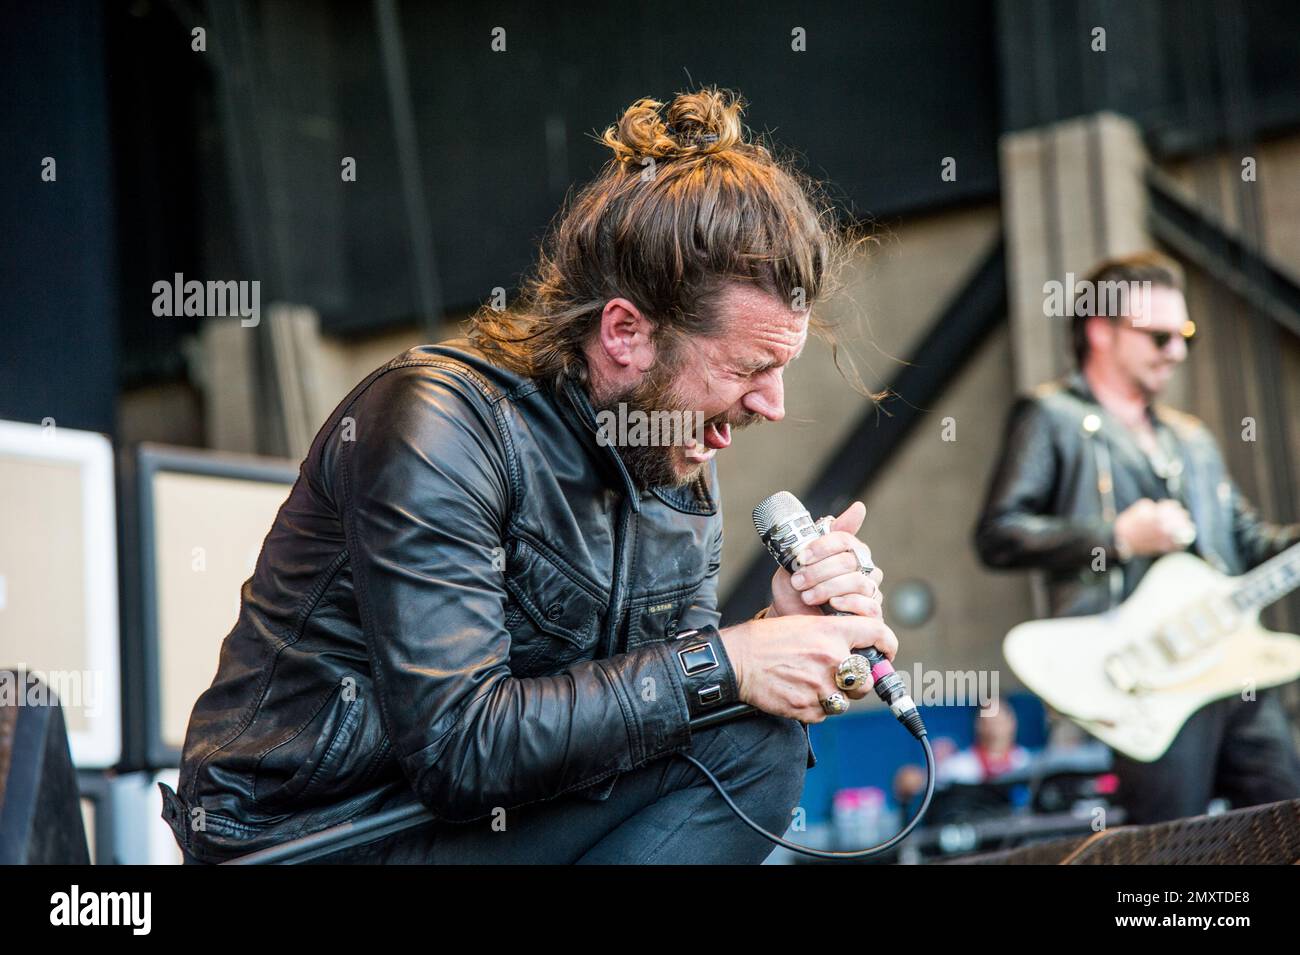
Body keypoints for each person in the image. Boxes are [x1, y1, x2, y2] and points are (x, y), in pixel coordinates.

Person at [160, 88, 897, 864]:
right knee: (738, 721)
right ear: (625, 332)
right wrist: (734, 660)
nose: (772, 405)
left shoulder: (677, 469)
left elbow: (655, 708)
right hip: (307, 838)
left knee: (754, 742)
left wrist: (782, 632)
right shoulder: (440, 425)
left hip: (472, 824)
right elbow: (461, 748)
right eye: (751, 367)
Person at [974, 250, 1300, 825]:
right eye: (1159, 336)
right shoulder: (1053, 416)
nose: (1176, 351)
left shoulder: (1190, 437)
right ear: (1100, 330)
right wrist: (1117, 536)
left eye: (1185, 336)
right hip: (1145, 674)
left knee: (1285, 826)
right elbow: (999, 534)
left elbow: (1247, 541)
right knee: (1172, 851)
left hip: (1234, 663)